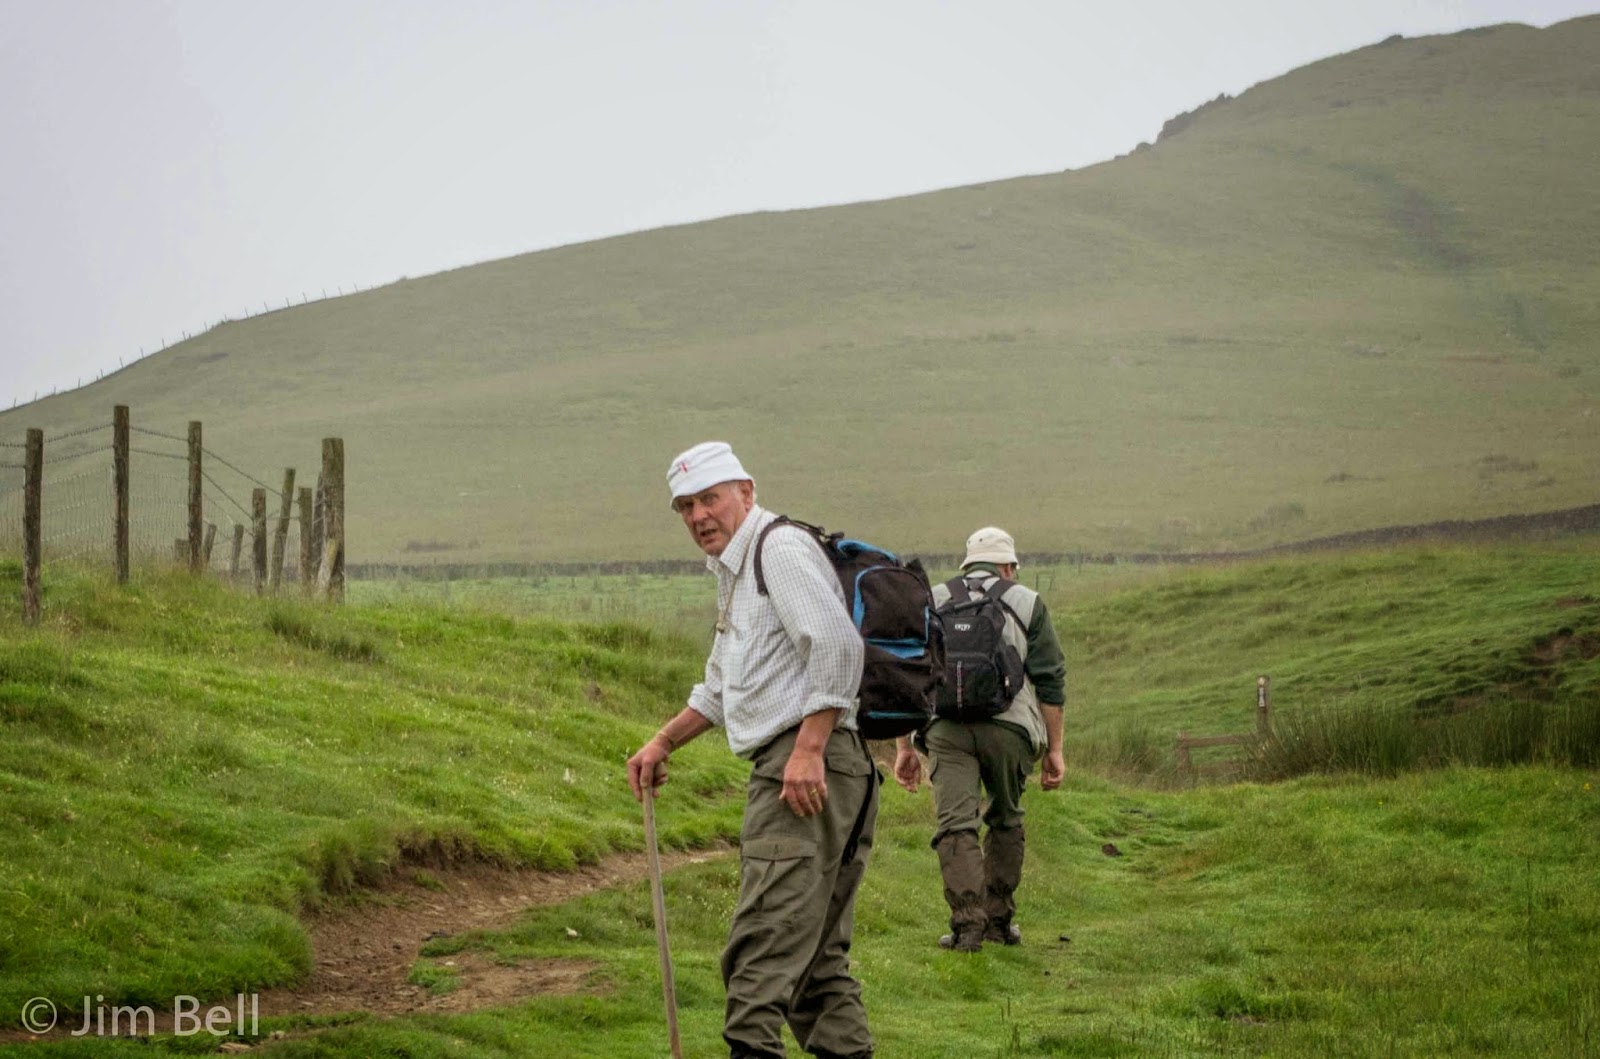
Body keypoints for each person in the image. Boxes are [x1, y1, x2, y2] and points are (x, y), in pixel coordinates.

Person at [627, 441, 879, 1059]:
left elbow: (840, 650)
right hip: (827, 765)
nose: (697, 516)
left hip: (803, 766)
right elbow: (722, 685)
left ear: (746, 490)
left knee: (760, 951)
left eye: (709, 498)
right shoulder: (741, 571)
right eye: (684, 506)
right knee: (814, 963)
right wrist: (664, 740)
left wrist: (807, 749)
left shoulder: (780, 550)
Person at [892, 526, 1066, 953]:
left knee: (956, 824)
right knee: (1005, 818)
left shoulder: (933, 599)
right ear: (1009, 567)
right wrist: (1055, 750)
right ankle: (999, 922)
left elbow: (906, 673)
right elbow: (1050, 681)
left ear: (966, 564)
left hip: (945, 728)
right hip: (1010, 728)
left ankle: (966, 927)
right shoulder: (1027, 602)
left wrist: (903, 747)